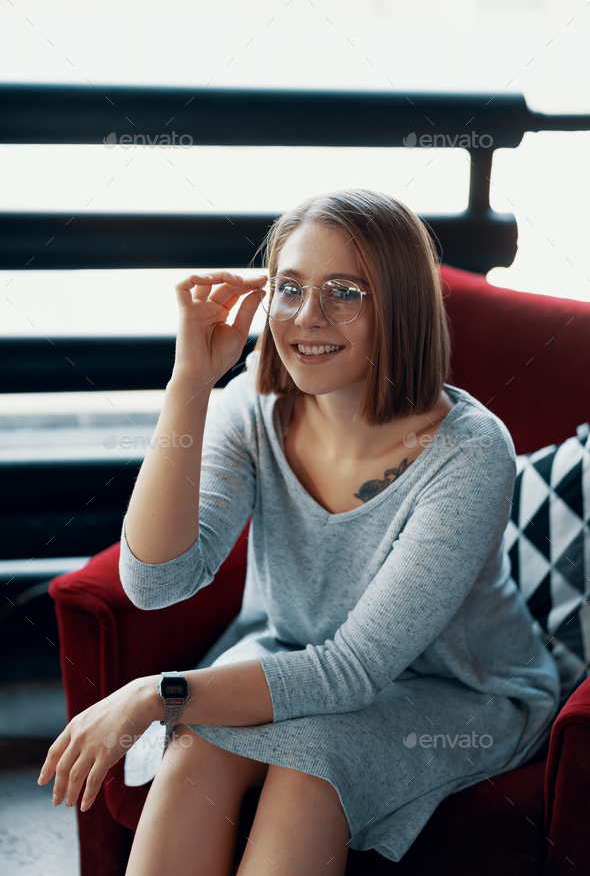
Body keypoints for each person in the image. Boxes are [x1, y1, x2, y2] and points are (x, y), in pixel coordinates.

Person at [38, 188, 560, 875]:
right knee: (195, 743)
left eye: (345, 292)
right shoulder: (251, 410)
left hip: (461, 689)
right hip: (295, 653)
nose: (307, 318)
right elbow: (155, 580)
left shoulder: (469, 451)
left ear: (399, 306)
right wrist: (190, 380)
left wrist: (153, 691)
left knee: (309, 767)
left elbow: (353, 671)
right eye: (290, 287)